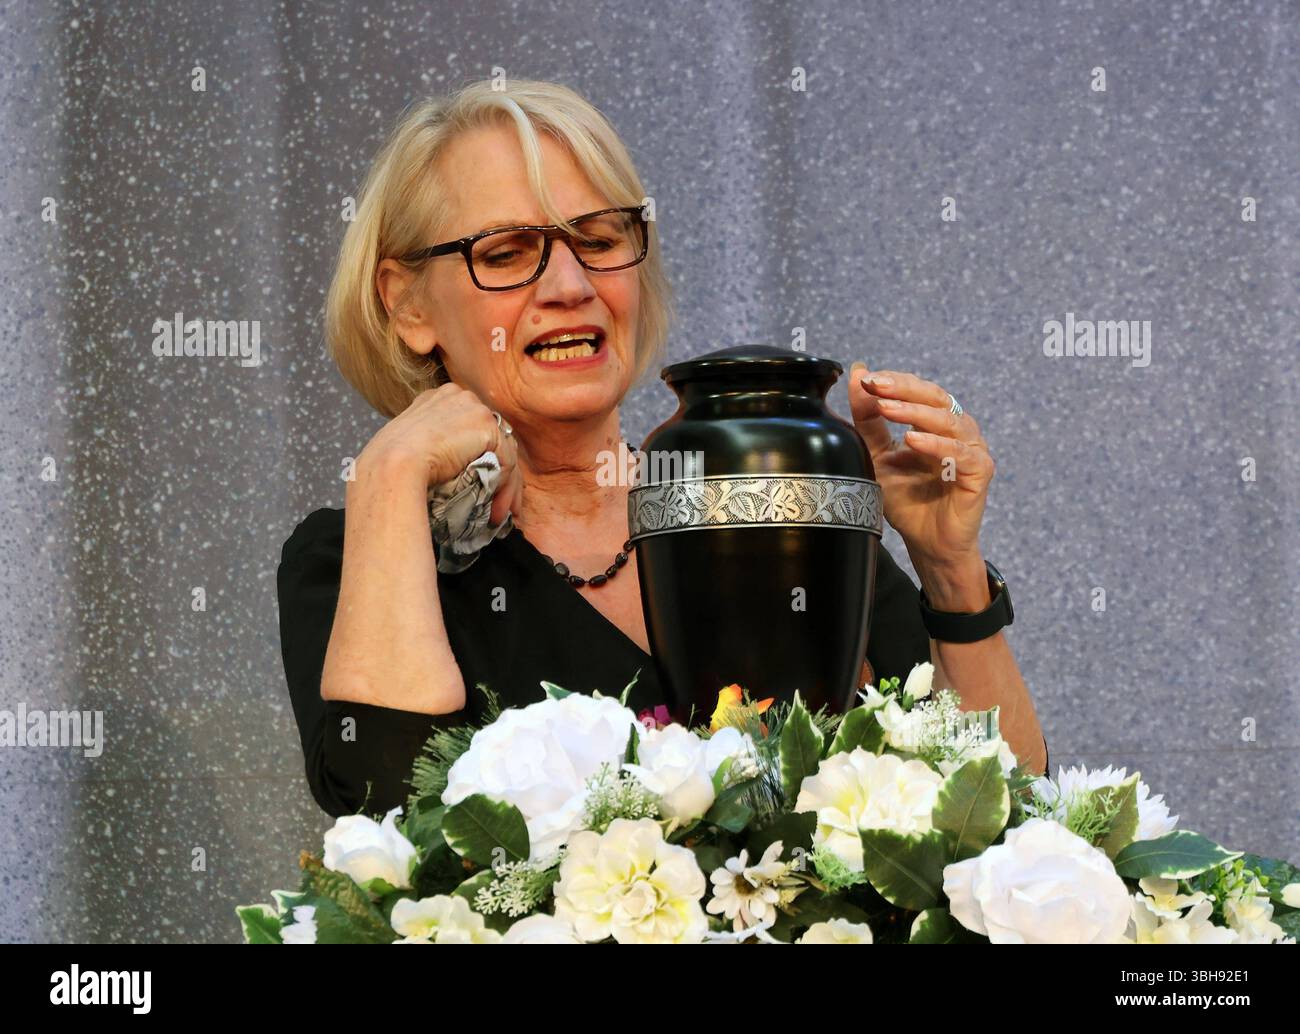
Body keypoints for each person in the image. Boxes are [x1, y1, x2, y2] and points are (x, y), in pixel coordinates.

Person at [278, 78, 1048, 819]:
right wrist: (389, 470)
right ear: (409, 305)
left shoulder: (771, 499)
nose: (571, 285)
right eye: (508, 252)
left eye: (599, 238)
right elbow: (388, 800)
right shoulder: (352, 554)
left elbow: (1007, 814)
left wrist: (950, 571)